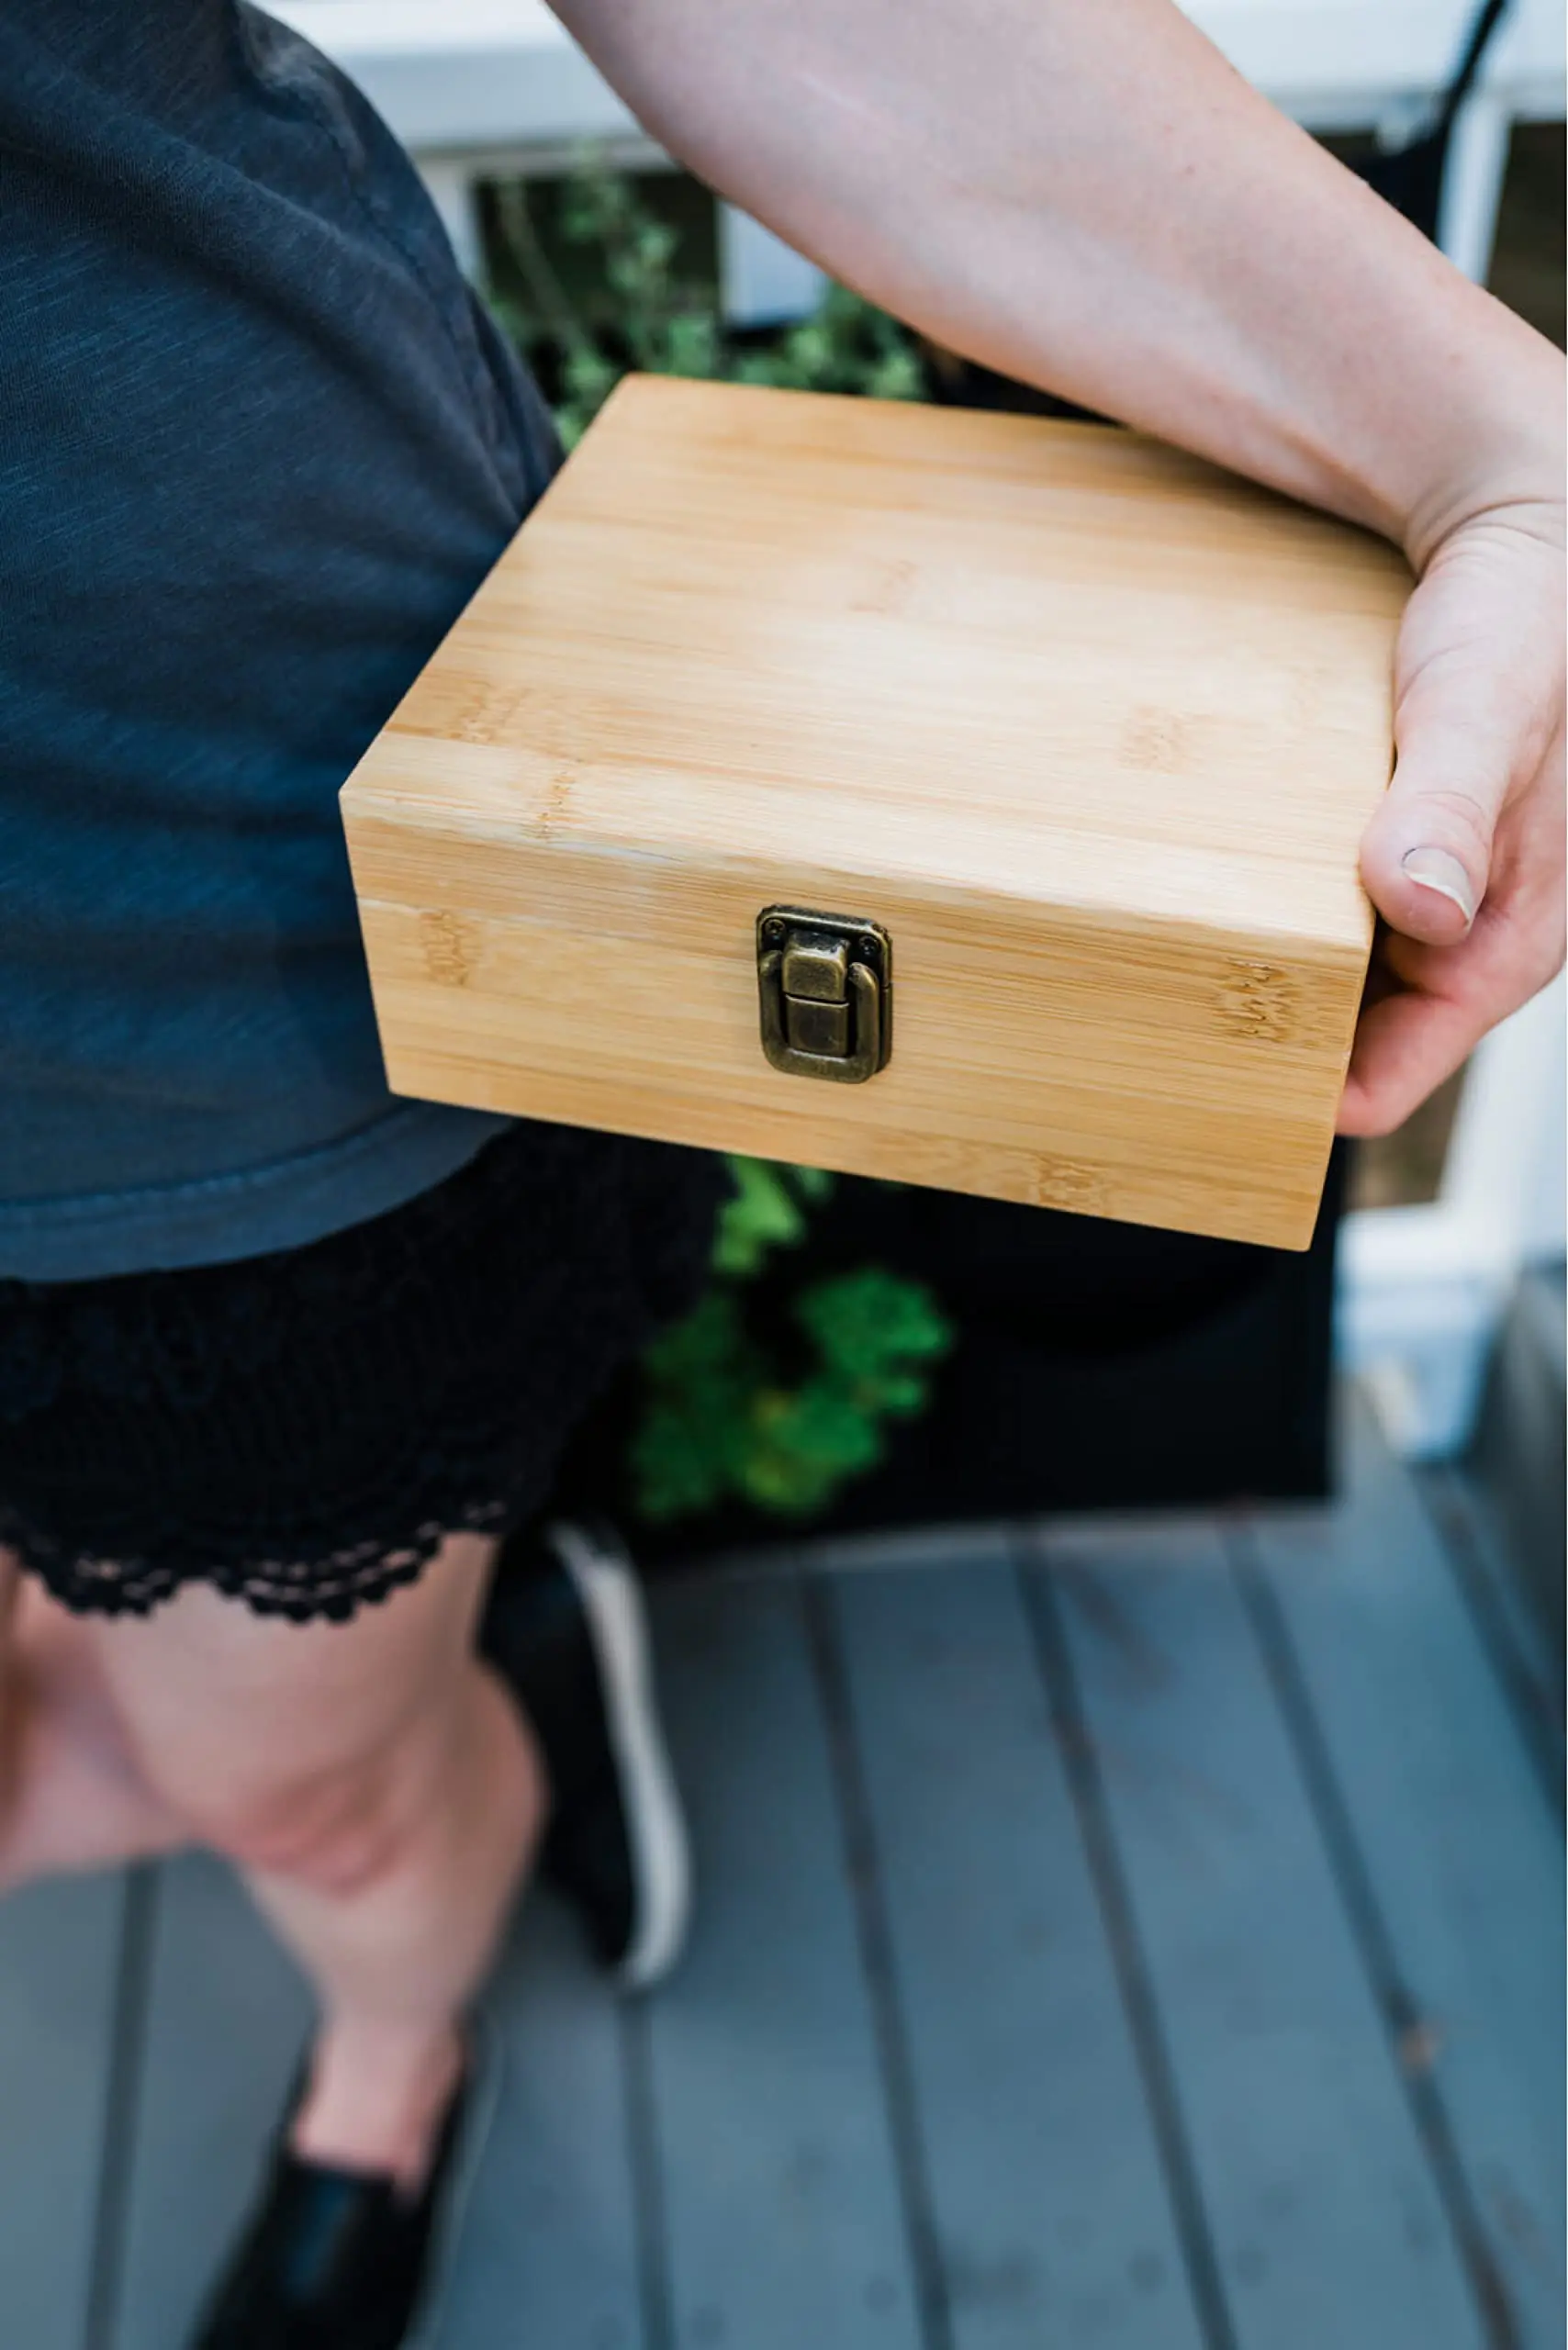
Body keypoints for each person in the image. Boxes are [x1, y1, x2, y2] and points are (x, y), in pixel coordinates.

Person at [0, 4, 1561, 2344]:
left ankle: (392, 2045)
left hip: (216, 960)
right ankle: (493, 1602)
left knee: (289, 1788)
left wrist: (1499, 449)